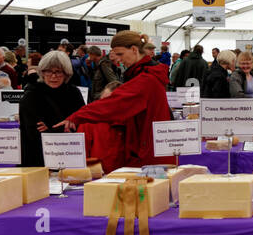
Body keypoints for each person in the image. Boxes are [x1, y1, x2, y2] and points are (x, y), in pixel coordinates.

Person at [59, 32, 172, 169]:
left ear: (134, 50)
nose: (118, 59)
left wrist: (78, 116)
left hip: (149, 155)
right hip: (150, 149)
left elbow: (114, 104)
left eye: (120, 54)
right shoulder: (145, 74)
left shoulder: (146, 79)